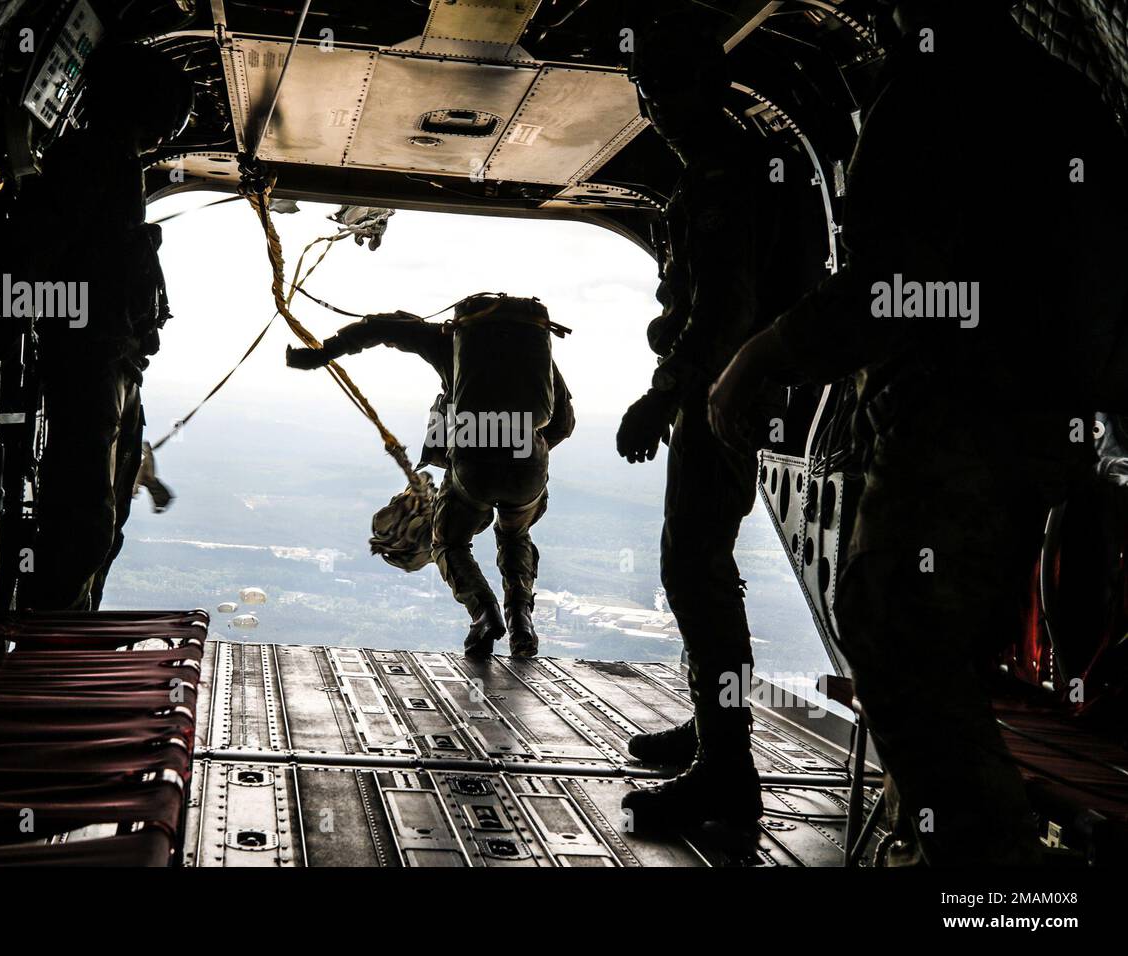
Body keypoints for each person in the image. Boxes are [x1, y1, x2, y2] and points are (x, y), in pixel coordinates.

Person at [706, 0, 1127, 863]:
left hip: (964, 416)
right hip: (1042, 420)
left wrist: (763, 357)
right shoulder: (1061, 91)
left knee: (896, 627)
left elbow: (892, 283)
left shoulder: (939, 82)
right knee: (947, 648)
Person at [615, 14, 813, 829]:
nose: (655, 107)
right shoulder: (735, 165)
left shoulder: (724, 176)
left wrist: (664, 396)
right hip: (734, 391)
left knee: (693, 573)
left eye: (666, 89)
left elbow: (724, 310)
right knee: (707, 570)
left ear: (708, 85)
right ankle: (714, 726)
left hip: (722, 392)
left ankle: (727, 770)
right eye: (646, 91)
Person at [287, 295, 575, 657]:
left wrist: (322, 353)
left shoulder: (451, 341)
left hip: (474, 456)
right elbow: (563, 423)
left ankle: (484, 615)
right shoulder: (537, 356)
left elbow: (384, 326)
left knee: (450, 543)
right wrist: (522, 441)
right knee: (515, 534)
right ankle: (522, 622)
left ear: (466, 323)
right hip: (529, 460)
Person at [17, 44, 192, 610]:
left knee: (105, 514)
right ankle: (49, 645)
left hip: (113, 356)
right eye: (168, 114)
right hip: (92, 354)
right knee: (86, 520)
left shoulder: (111, 162)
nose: (170, 130)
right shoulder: (92, 159)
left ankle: (67, 628)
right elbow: (37, 254)